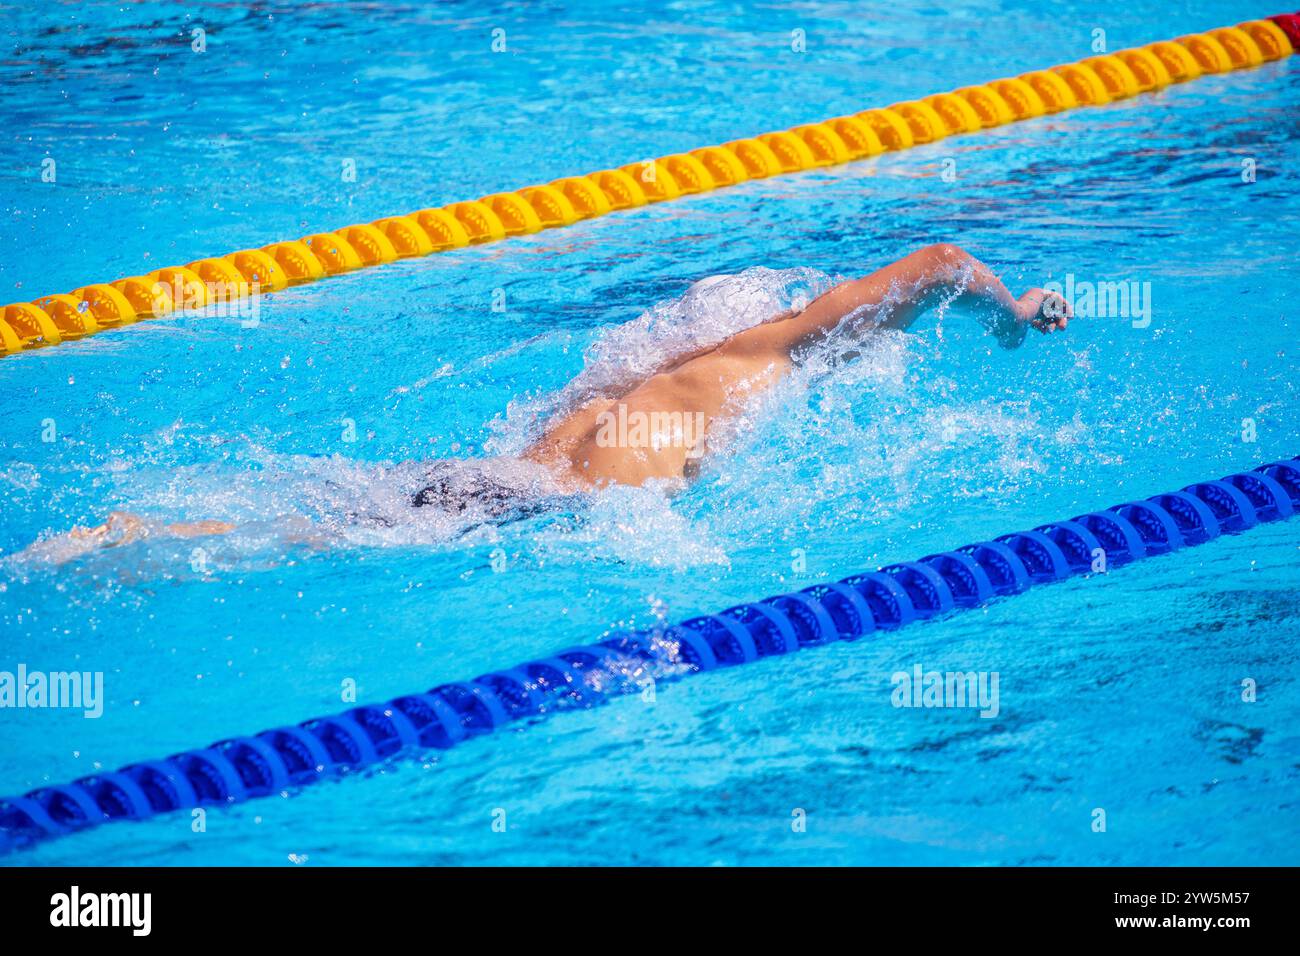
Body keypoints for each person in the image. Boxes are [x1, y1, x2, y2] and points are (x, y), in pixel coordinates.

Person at [21, 243, 1070, 557]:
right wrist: (1015, 313)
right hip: (560, 506)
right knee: (316, 538)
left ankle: (141, 527)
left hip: (516, 469)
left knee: (351, 508)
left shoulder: (699, 351)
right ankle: (142, 535)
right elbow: (937, 259)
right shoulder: (796, 350)